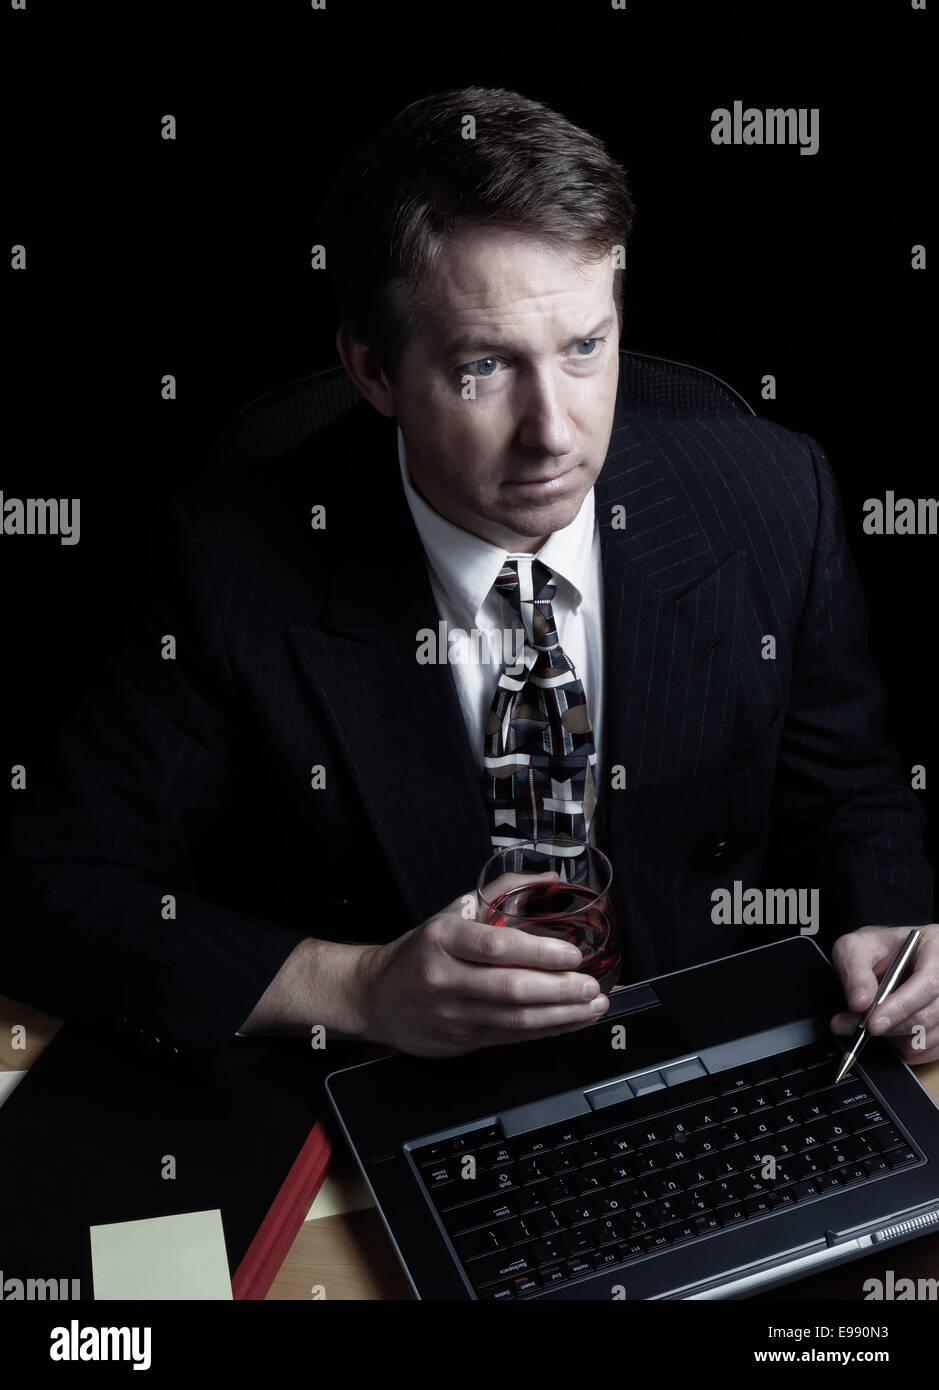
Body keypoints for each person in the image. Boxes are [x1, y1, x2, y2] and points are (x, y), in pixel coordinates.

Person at [0, 87, 934, 1071]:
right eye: (485, 367)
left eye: (584, 348)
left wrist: (897, 939)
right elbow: (50, 887)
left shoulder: (775, 495)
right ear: (373, 371)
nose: (554, 433)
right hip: (395, 1087)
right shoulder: (228, 565)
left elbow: (852, 790)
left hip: (712, 1067)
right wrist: (354, 987)